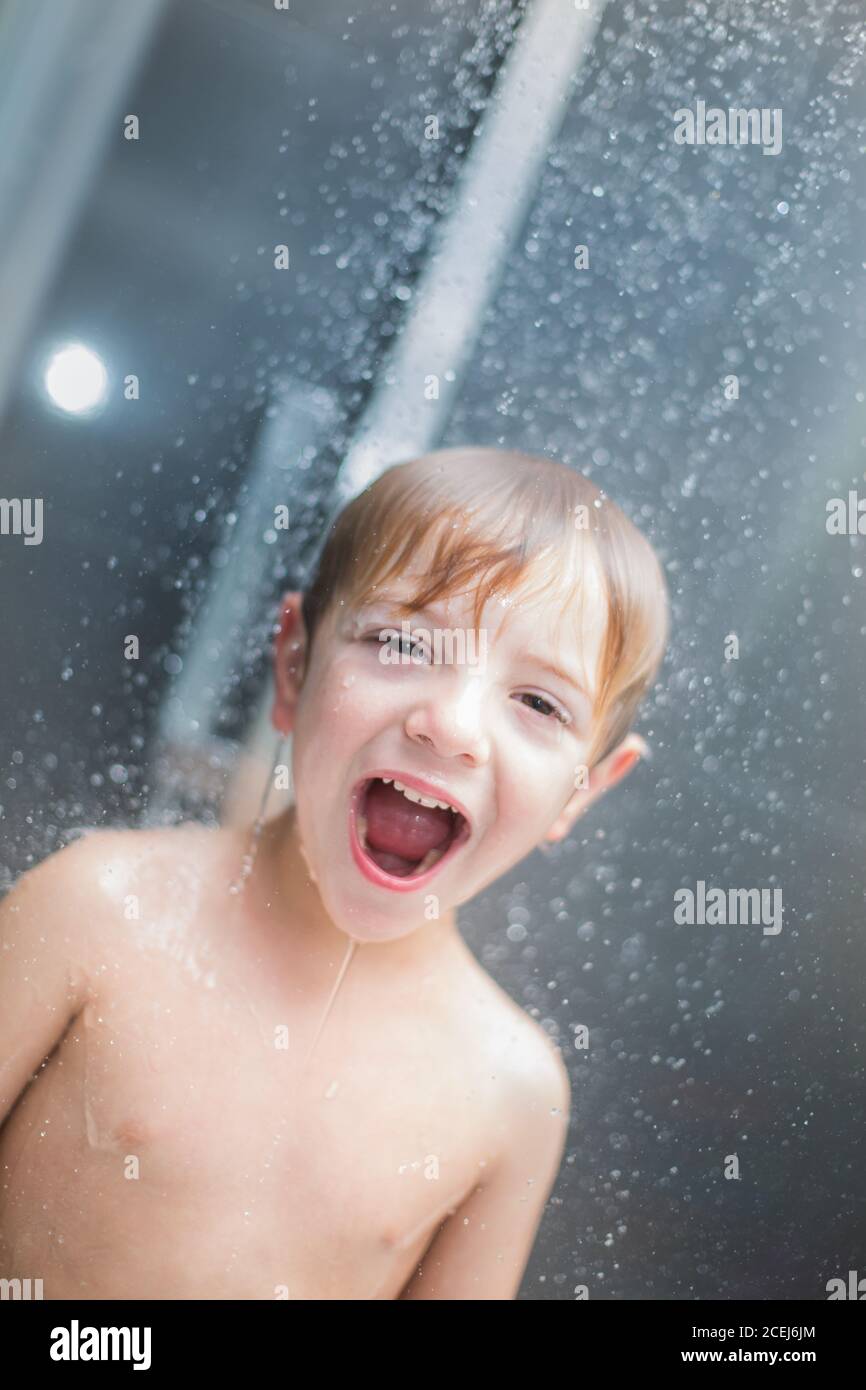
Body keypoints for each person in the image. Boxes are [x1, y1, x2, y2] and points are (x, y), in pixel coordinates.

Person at [0, 447, 668, 1300]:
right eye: (402, 642)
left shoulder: (512, 1092)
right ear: (294, 665)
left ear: (586, 789)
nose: (452, 726)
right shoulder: (97, 910)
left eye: (538, 702)